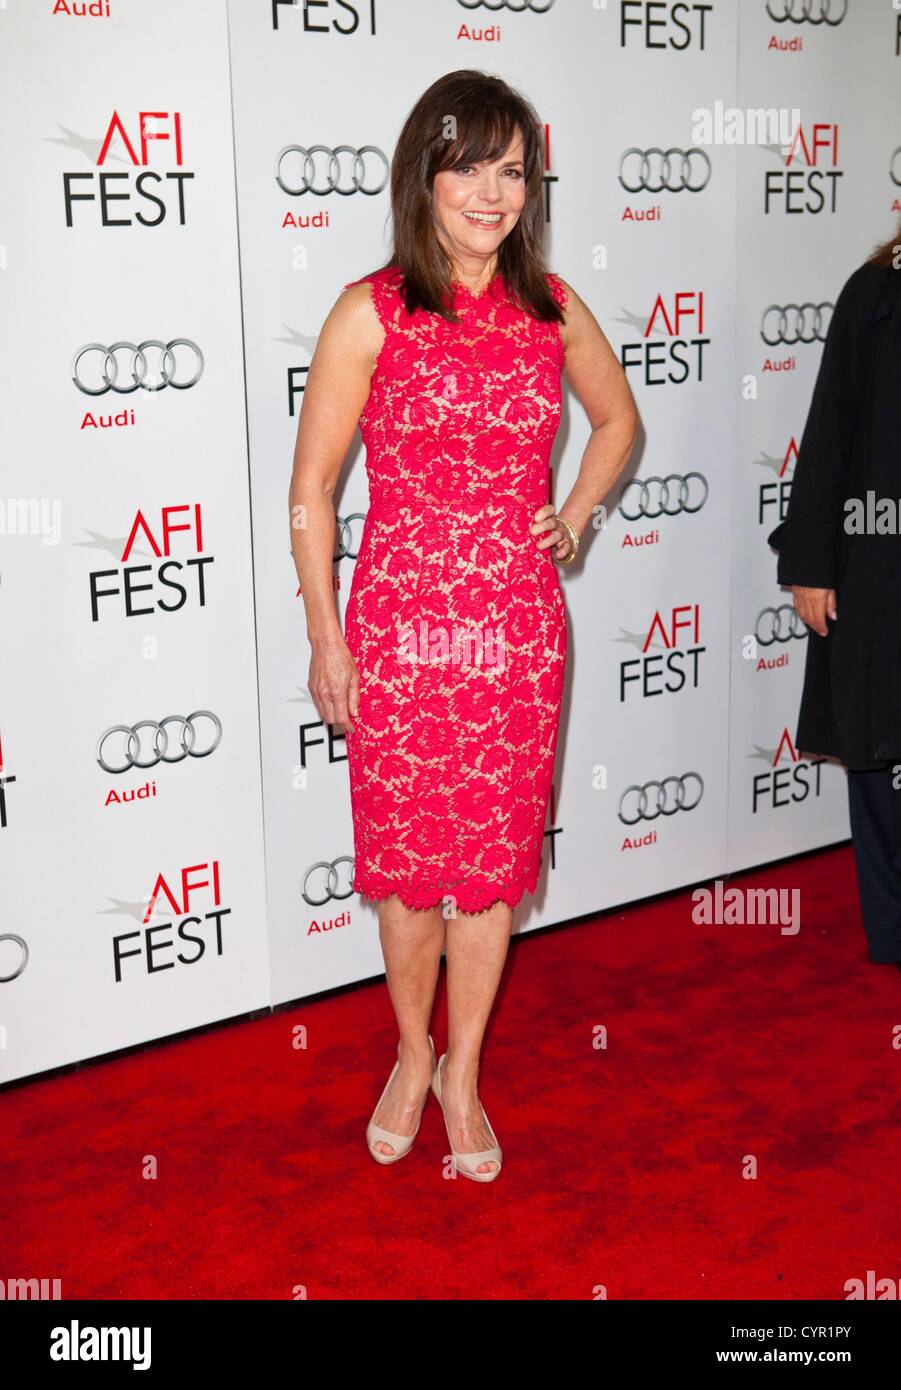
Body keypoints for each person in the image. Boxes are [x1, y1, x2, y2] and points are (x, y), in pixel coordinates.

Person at [289, 70, 637, 1180]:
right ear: (422, 178)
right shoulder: (369, 310)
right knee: (402, 877)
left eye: (510, 170)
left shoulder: (552, 309)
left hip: (517, 635)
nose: (491, 192)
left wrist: (571, 519)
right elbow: (312, 490)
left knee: (489, 871)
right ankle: (407, 1053)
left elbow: (618, 421)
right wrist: (324, 637)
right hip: (395, 629)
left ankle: (463, 1073)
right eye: (467, 167)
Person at [767, 223, 901, 969]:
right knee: (882, 749)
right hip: (878, 561)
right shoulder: (874, 293)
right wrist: (810, 564)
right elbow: (829, 434)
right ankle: (893, 929)